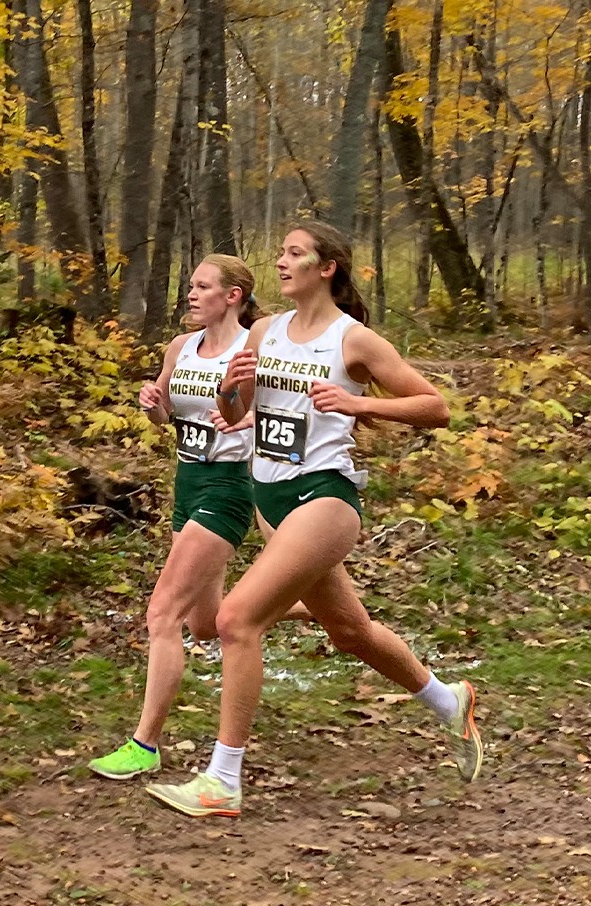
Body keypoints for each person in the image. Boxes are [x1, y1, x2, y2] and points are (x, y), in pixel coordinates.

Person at [146, 220, 482, 819]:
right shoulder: (266, 329)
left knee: (235, 619)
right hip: (269, 496)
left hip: (326, 497)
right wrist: (233, 391)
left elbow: (435, 408)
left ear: (325, 269)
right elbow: (236, 413)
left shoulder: (354, 340)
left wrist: (358, 402)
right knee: (350, 631)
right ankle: (448, 700)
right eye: (280, 252)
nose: (280, 262)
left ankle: (223, 780)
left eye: (294, 253)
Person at [87, 255, 259, 781]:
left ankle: (145, 744)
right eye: (190, 286)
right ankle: (298, 604)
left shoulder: (253, 347)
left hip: (230, 486)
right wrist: (151, 405)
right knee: (203, 623)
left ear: (232, 296)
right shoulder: (181, 348)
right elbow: (167, 413)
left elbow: (279, 409)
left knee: (161, 613)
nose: (190, 295)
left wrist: (244, 417)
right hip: (187, 482)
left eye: (202, 287)